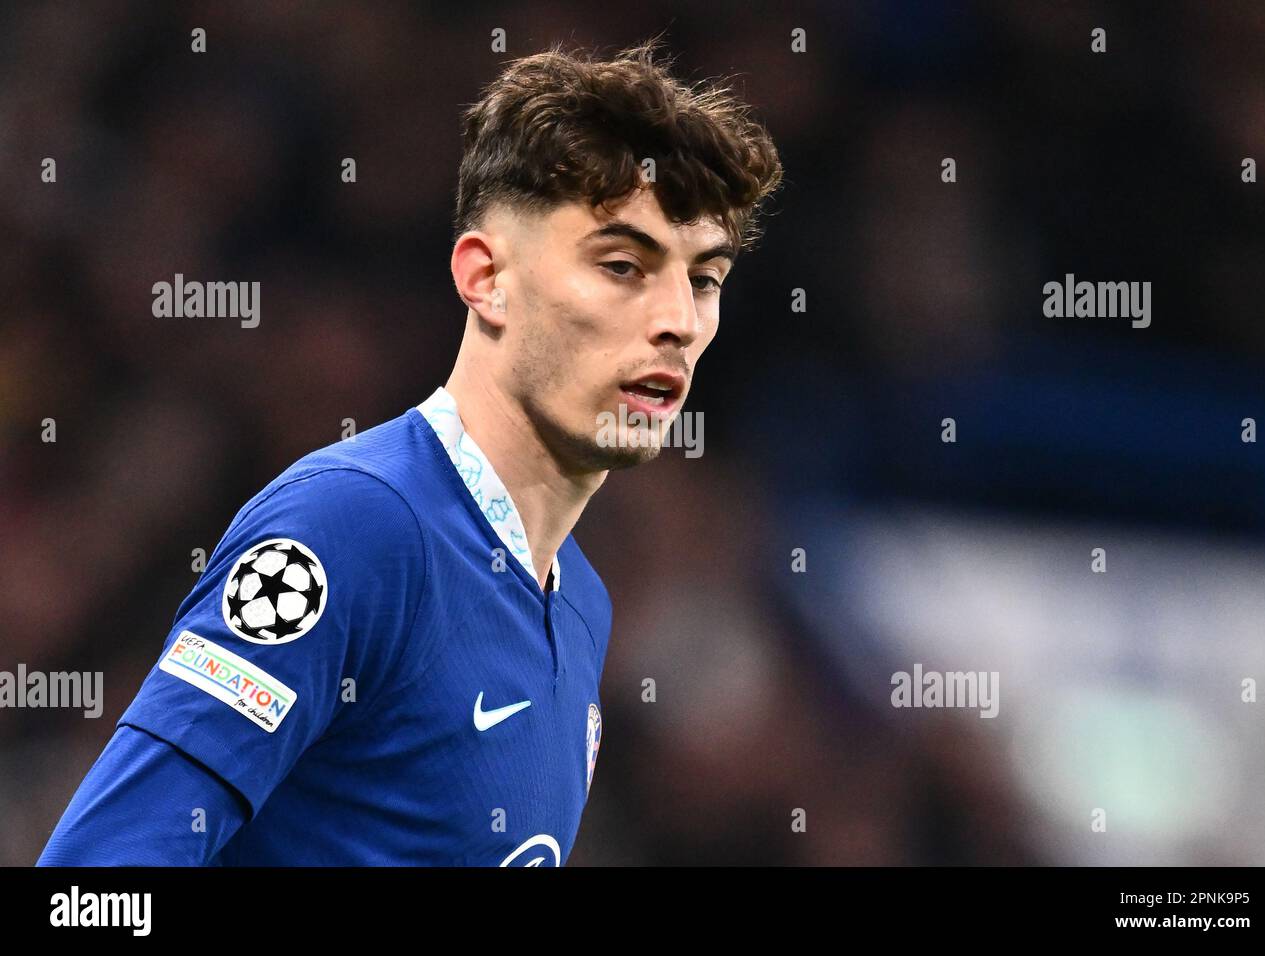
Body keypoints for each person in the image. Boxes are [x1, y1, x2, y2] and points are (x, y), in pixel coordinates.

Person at [37, 38, 781, 866]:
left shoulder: (580, 607)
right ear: (486, 277)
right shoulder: (353, 526)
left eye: (704, 278)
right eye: (621, 264)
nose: (678, 318)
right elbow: (96, 880)